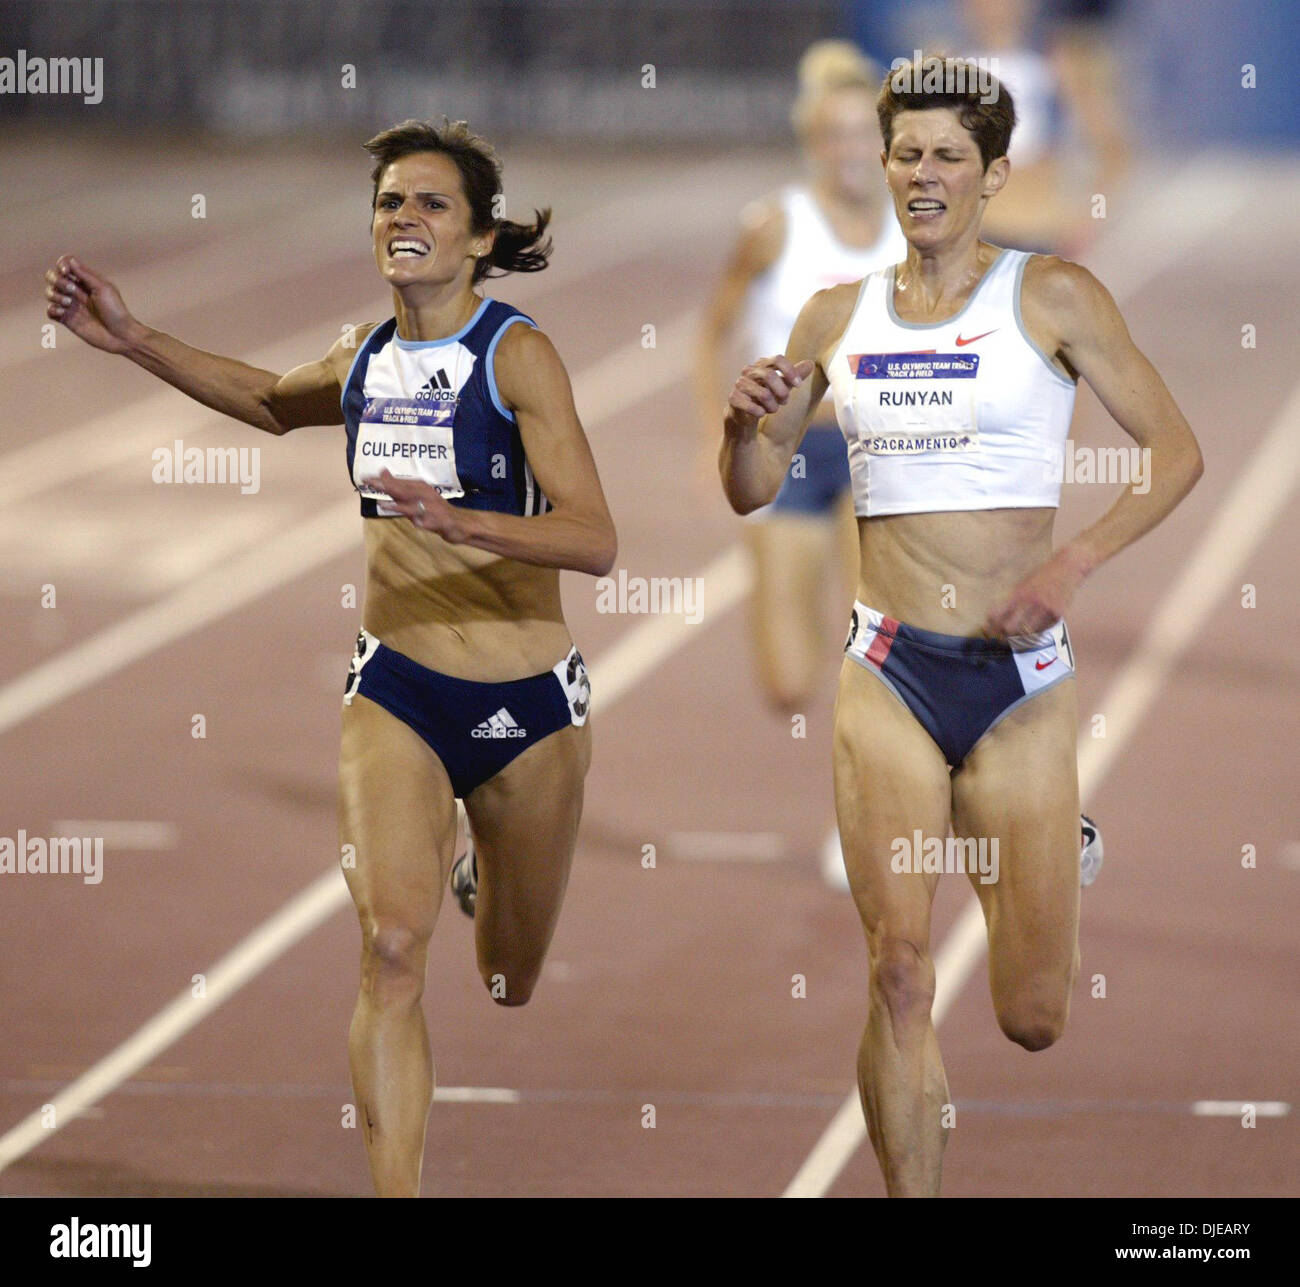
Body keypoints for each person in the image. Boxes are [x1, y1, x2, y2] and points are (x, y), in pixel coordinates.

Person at [44, 118, 616, 1198]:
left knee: (507, 978)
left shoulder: (517, 356)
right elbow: (267, 402)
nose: (404, 218)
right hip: (395, 688)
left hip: (523, 708)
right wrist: (134, 338)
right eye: (389, 202)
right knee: (391, 954)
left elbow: (595, 539)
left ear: (481, 239)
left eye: (431, 203)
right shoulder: (365, 357)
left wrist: (463, 522)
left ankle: (481, 870)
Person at [718, 57, 1201, 1196]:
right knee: (896, 969)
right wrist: (739, 430)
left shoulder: (1052, 297)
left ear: (992, 178)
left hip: (1019, 678)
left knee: (1032, 1017)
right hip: (886, 663)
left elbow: (1175, 454)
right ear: (883, 168)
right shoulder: (834, 314)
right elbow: (751, 485)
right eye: (906, 155)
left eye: (947, 158)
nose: (922, 175)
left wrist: (1076, 562)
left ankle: (1054, 857)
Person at [696, 40, 906, 886]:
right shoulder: (774, 225)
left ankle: (864, 820)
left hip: (879, 453)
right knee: (788, 682)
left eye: (867, 135)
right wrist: (719, 438)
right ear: (812, 142)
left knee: (873, 653)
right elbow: (713, 330)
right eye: (835, 135)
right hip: (788, 454)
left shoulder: (911, 222)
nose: (851, 152)